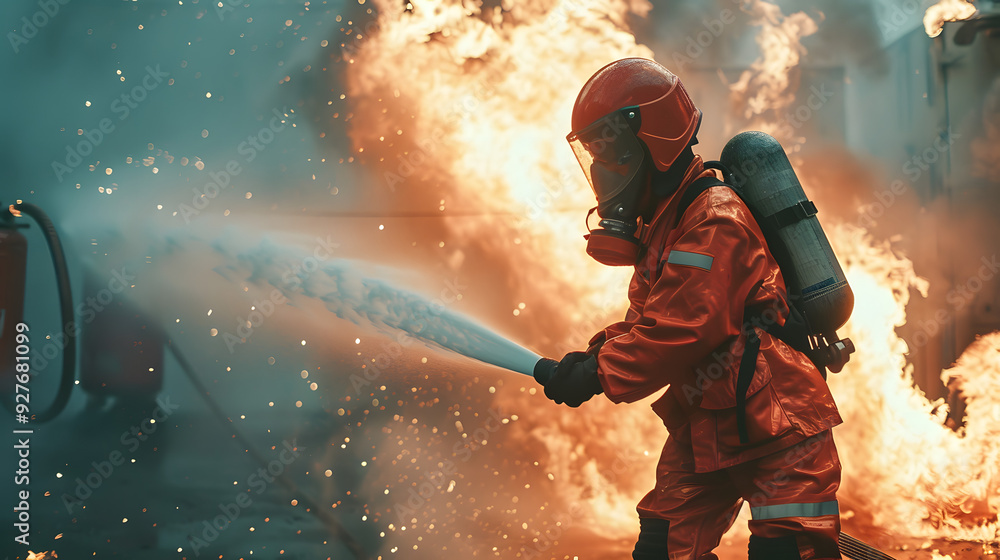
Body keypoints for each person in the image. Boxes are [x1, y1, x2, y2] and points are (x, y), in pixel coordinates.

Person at [541, 57, 844, 560]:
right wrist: (592, 358)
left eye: (610, 150)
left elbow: (684, 329)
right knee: (661, 548)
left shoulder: (714, 219)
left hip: (780, 426)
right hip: (709, 422)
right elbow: (650, 321)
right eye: (594, 153)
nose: (601, 170)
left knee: (787, 553)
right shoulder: (669, 220)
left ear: (653, 138)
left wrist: (598, 374)